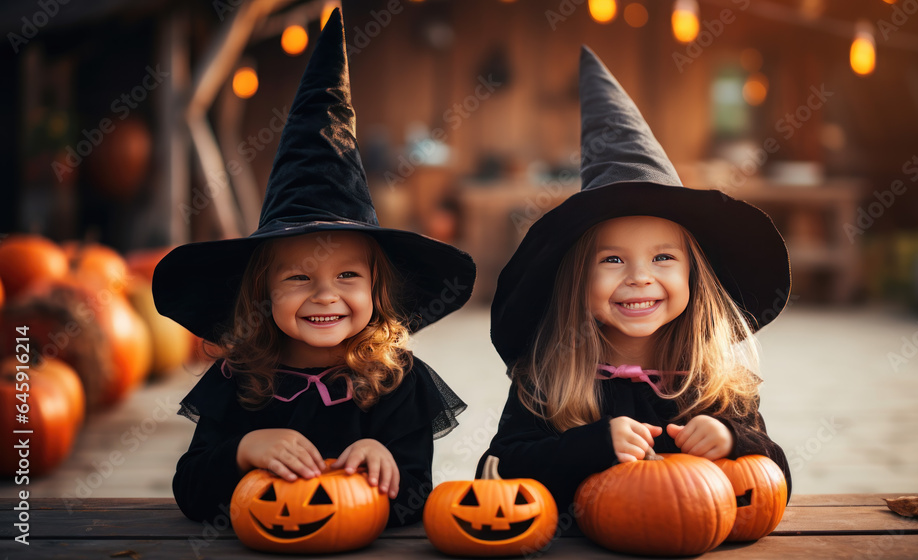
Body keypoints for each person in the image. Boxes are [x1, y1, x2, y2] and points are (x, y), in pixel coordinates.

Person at [152, 9, 475, 528]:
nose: (325, 295)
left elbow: (416, 500)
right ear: (262, 292)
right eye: (298, 277)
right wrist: (242, 450)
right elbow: (191, 496)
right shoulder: (239, 378)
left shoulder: (395, 380)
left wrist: (385, 463)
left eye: (348, 276)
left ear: (377, 289)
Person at [478, 47, 792, 512]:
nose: (640, 278)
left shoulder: (715, 383)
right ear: (577, 281)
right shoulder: (550, 378)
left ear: (694, 275)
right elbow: (495, 474)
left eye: (663, 257)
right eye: (612, 260)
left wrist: (733, 439)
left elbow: (775, 479)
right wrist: (589, 446)